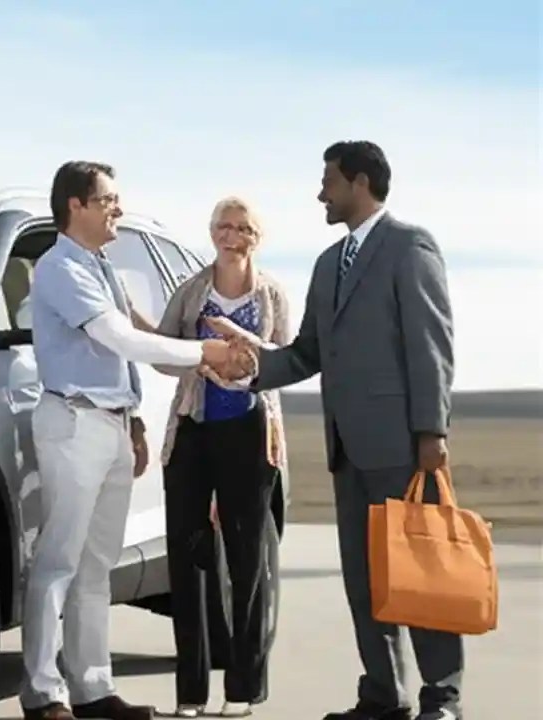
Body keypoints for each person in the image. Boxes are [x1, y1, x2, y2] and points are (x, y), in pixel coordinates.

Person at [211, 141, 462, 720]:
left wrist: (432, 431)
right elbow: (306, 354)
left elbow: (431, 344)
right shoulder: (329, 265)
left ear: (360, 182)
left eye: (329, 180)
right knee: (365, 580)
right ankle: (383, 694)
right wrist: (252, 362)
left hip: (401, 443)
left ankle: (441, 698)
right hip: (346, 447)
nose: (321, 192)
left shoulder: (410, 246)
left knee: (421, 577)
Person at [20, 160, 237, 720]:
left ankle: (93, 690)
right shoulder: (59, 268)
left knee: (96, 566)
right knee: (59, 561)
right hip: (73, 423)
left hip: (111, 425)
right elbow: (116, 337)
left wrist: (134, 420)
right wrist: (203, 355)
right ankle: (44, 694)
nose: (118, 208)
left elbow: (137, 338)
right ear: (77, 206)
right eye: (109, 200)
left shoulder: (101, 267)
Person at [147, 196, 291, 718]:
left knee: (247, 560)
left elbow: (285, 361)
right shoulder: (191, 292)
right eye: (222, 227)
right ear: (211, 233)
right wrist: (198, 363)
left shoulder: (272, 293)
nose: (231, 236)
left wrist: (246, 359)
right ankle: (190, 693)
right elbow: (163, 355)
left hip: (250, 433)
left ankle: (242, 690)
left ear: (258, 237)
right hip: (193, 430)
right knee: (188, 559)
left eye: (243, 228)